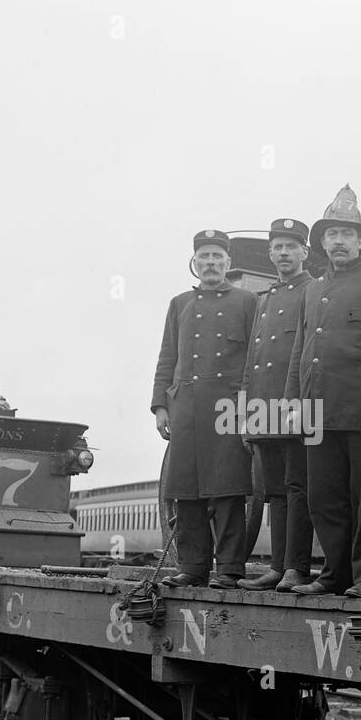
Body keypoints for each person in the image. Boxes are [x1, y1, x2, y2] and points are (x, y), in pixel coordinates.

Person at [285, 185, 361, 597]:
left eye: (347, 234)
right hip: (317, 410)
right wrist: (294, 403)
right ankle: (335, 574)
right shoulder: (313, 289)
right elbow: (301, 348)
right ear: (323, 242)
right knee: (324, 498)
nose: (338, 241)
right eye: (331, 234)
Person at [150, 229, 258, 589]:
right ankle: (192, 567)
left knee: (227, 490)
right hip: (185, 410)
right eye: (204, 258)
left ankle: (229, 569)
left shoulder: (247, 302)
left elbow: (253, 361)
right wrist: (160, 406)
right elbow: (168, 357)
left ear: (228, 263)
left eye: (217, 258)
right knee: (186, 490)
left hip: (227, 407)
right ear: (194, 264)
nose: (210, 264)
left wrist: (247, 407)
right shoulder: (179, 303)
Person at [238, 218, 316, 592]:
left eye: (290, 247)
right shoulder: (264, 300)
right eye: (277, 248)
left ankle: (297, 568)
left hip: (299, 404)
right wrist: (245, 412)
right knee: (274, 491)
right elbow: (253, 359)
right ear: (270, 254)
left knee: (298, 485)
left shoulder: (314, 291)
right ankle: (277, 565)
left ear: (305, 252)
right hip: (263, 407)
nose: (283, 253)